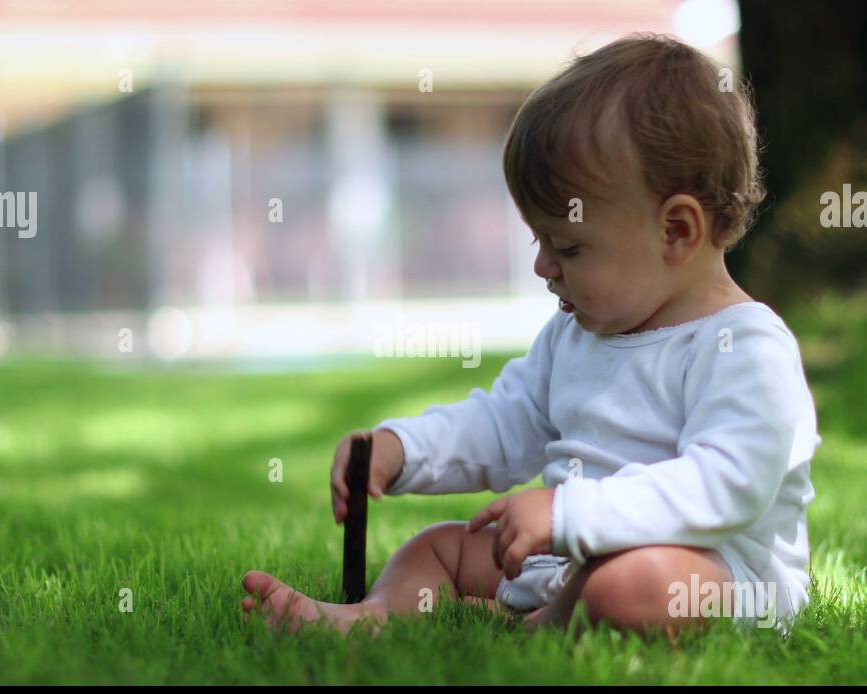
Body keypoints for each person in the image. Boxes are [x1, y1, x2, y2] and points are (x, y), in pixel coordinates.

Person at [242, 32, 819, 637]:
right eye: (540, 242)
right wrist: (402, 449)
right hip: (563, 554)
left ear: (676, 230)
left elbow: (725, 487)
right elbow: (502, 423)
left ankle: (542, 623)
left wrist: (570, 513)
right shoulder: (576, 334)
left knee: (630, 586)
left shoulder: (745, 347)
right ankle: (371, 619)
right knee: (439, 548)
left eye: (567, 246)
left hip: (712, 575)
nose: (544, 267)